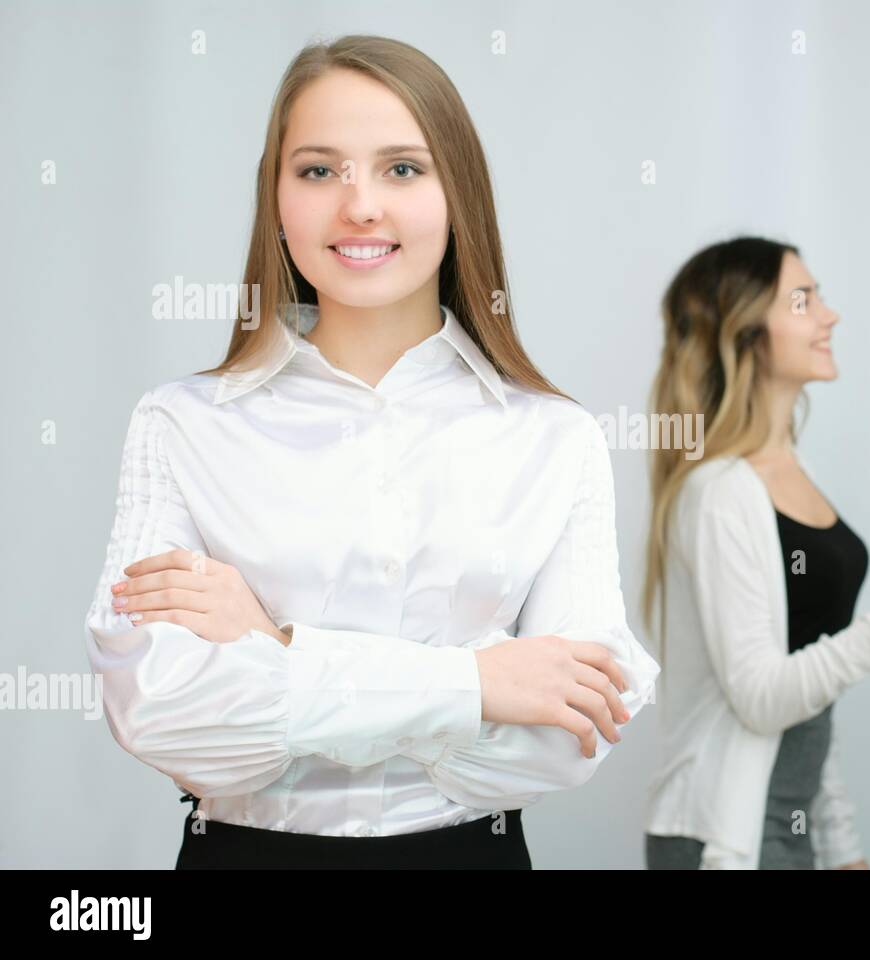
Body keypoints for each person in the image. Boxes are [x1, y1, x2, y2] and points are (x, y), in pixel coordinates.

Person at [83, 34, 659, 870]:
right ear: (276, 199)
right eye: (319, 170)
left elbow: (570, 734)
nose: (360, 207)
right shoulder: (181, 424)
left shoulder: (552, 435)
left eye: (401, 168)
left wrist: (278, 649)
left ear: (456, 191)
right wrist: (479, 685)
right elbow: (165, 716)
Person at [640, 236, 870, 869]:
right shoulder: (719, 493)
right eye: (803, 299)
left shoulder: (793, 468)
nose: (829, 315)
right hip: (724, 837)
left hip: (791, 828)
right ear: (747, 332)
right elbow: (763, 698)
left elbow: (810, 693)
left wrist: (842, 849)